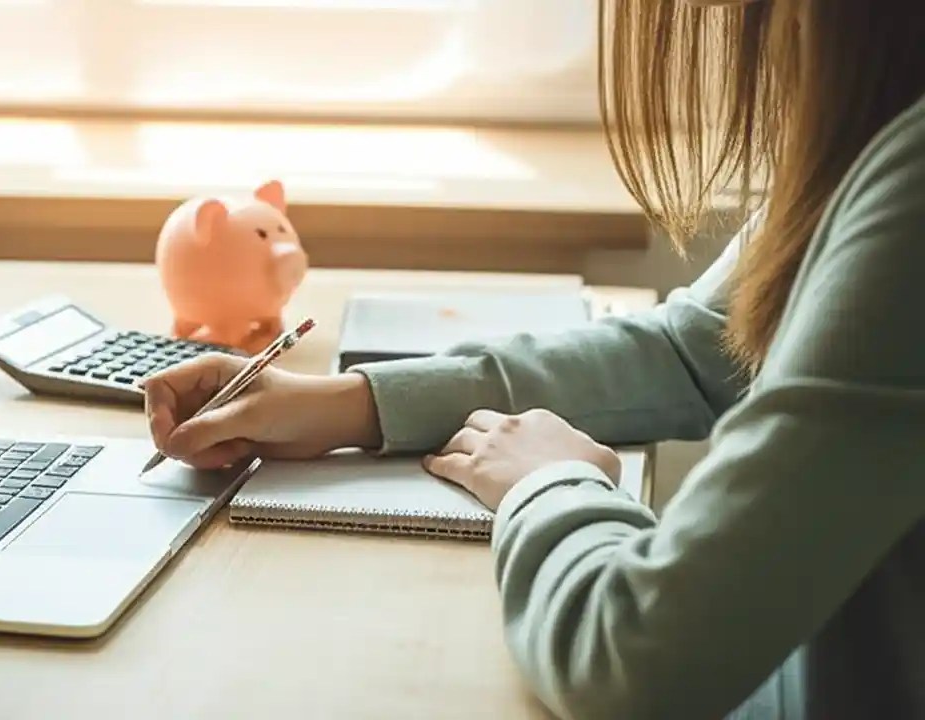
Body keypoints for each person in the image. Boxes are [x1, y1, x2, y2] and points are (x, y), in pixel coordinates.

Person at [142, 1, 925, 718]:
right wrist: (354, 404)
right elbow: (692, 352)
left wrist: (550, 483)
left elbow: (629, 660)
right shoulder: (878, 121)